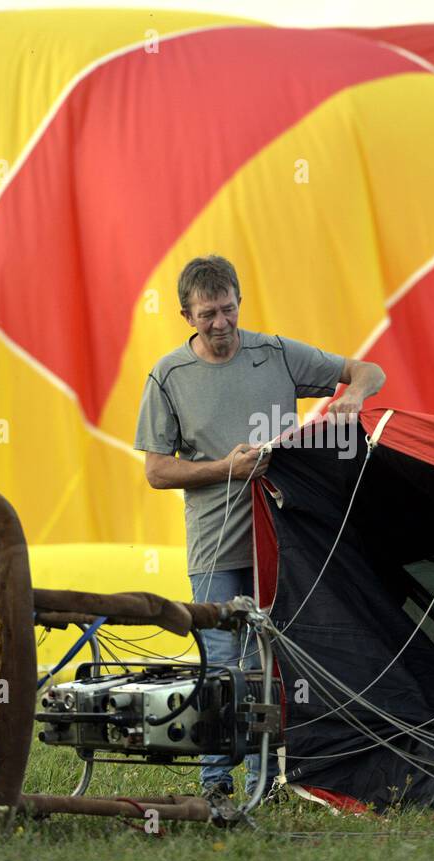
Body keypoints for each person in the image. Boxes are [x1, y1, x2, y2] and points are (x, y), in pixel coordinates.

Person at [134, 254, 386, 800]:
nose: (221, 323)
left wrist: (352, 398)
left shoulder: (275, 354)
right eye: (208, 314)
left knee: (269, 664)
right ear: (185, 315)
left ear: (240, 302)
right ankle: (216, 782)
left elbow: (370, 370)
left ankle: (268, 780)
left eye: (228, 309)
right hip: (214, 549)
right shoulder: (168, 375)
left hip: (282, 542)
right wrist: (228, 467)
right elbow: (156, 470)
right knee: (222, 666)